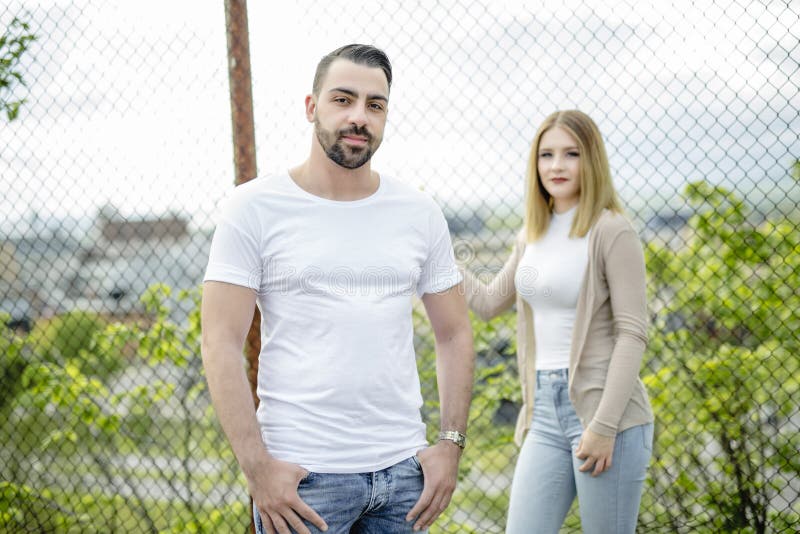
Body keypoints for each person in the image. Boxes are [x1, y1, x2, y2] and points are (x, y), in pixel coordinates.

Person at [201, 44, 474, 534]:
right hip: (303, 481)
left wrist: (450, 444)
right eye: (343, 99)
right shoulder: (253, 208)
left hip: (404, 478)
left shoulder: (418, 212)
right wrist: (257, 469)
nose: (359, 117)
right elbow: (219, 341)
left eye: (375, 105)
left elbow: (454, 333)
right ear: (312, 107)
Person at [462, 110, 653, 534]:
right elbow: (489, 302)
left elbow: (632, 333)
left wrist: (604, 426)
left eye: (571, 154)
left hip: (606, 412)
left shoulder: (611, 230)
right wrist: (435, 257)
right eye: (546, 155)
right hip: (544, 413)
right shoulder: (531, 234)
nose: (556, 166)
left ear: (592, 160)